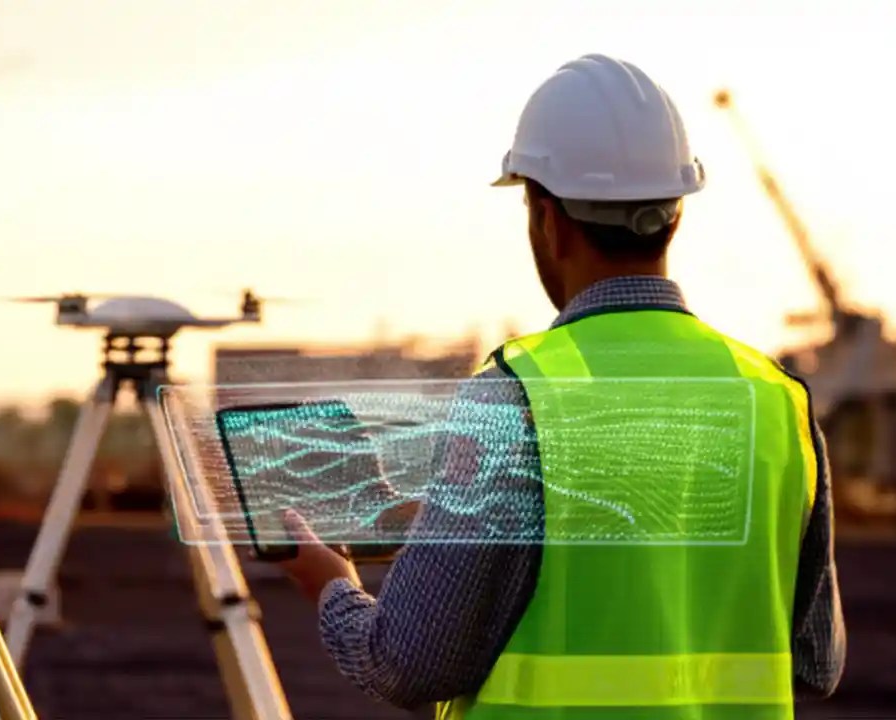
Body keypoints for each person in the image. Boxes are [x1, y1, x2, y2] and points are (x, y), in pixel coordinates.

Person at [275, 53, 846, 719]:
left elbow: (403, 663)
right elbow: (815, 663)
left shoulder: (515, 400)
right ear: (676, 213)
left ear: (546, 217)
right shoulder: (775, 399)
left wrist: (331, 584)